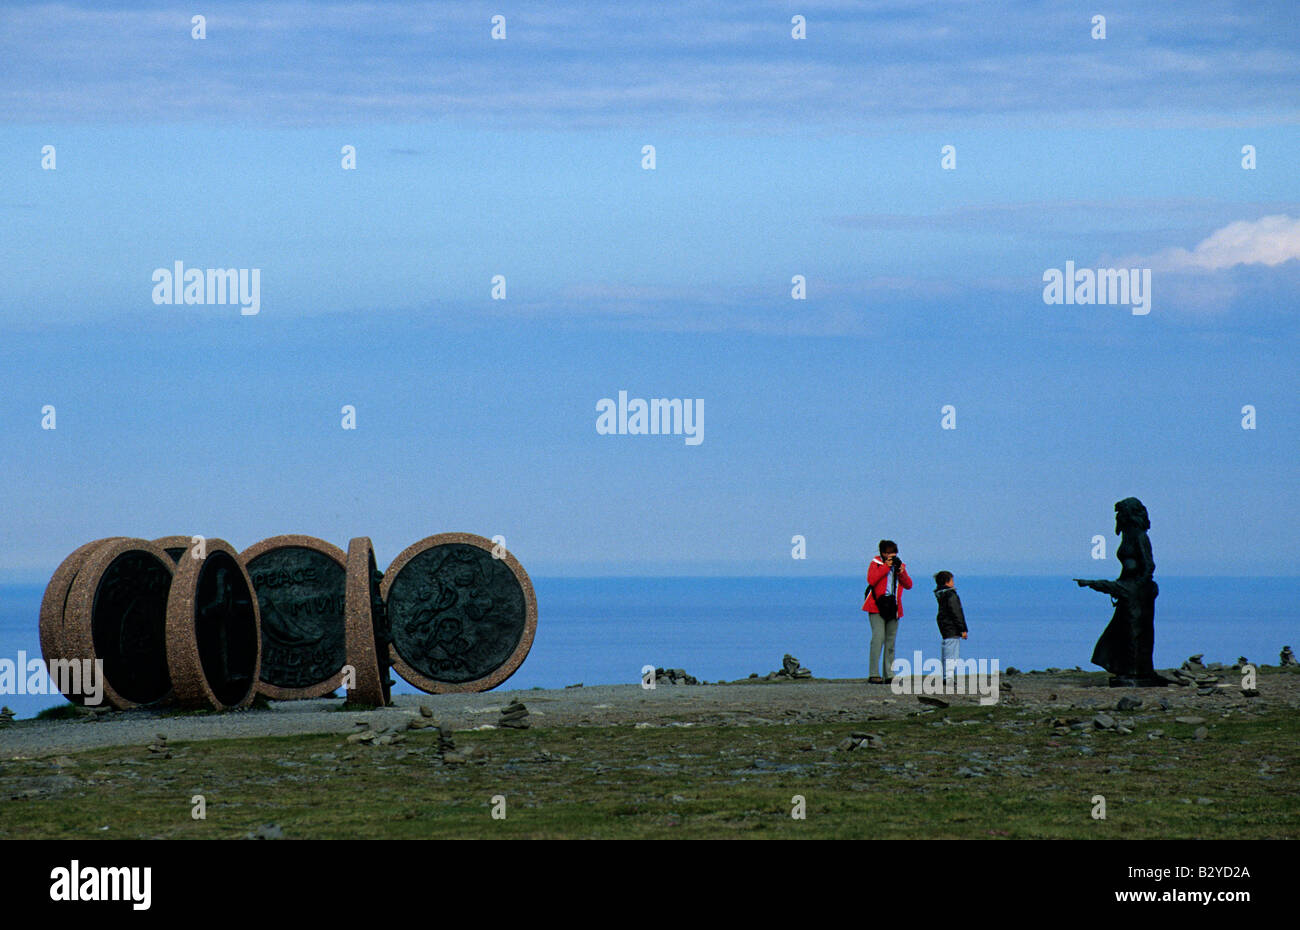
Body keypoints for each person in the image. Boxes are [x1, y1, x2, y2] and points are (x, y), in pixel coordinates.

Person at [862, 540, 912, 683]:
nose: (892, 556)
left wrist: (901, 572)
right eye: (889, 553)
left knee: (890, 641)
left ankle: (889, 674)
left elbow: (908, 585)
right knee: (878, 638)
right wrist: (885, 567)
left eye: (894, 553)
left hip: (893, 607)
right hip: (876, 606)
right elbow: (871, 580)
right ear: (883, 553)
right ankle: (874, 673)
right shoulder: (876, 564)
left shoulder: (899, 566)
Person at [933, 571, 967, 679]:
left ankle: (946, 676)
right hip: (952, 627)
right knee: (952, 653)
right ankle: (948, 677)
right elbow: (956, 612)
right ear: (947, 582)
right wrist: (962, 629)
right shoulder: (950, 594)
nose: (953, 582)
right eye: (952, 580)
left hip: (944, 625)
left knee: (947, 652)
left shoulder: (940, 594)